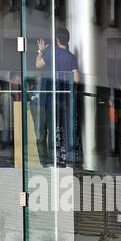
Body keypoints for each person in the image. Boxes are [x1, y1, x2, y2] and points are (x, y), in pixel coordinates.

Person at [34, 27, 80, 165]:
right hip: (65, 97)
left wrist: (41, 50)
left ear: (57, 39)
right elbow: (76, 79)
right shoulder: (71, 57)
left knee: (52, 126)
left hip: (51, 96)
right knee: (65, 125)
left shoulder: (52, 53)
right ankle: (66, 157)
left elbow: (37, 65)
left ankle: (53, 158)